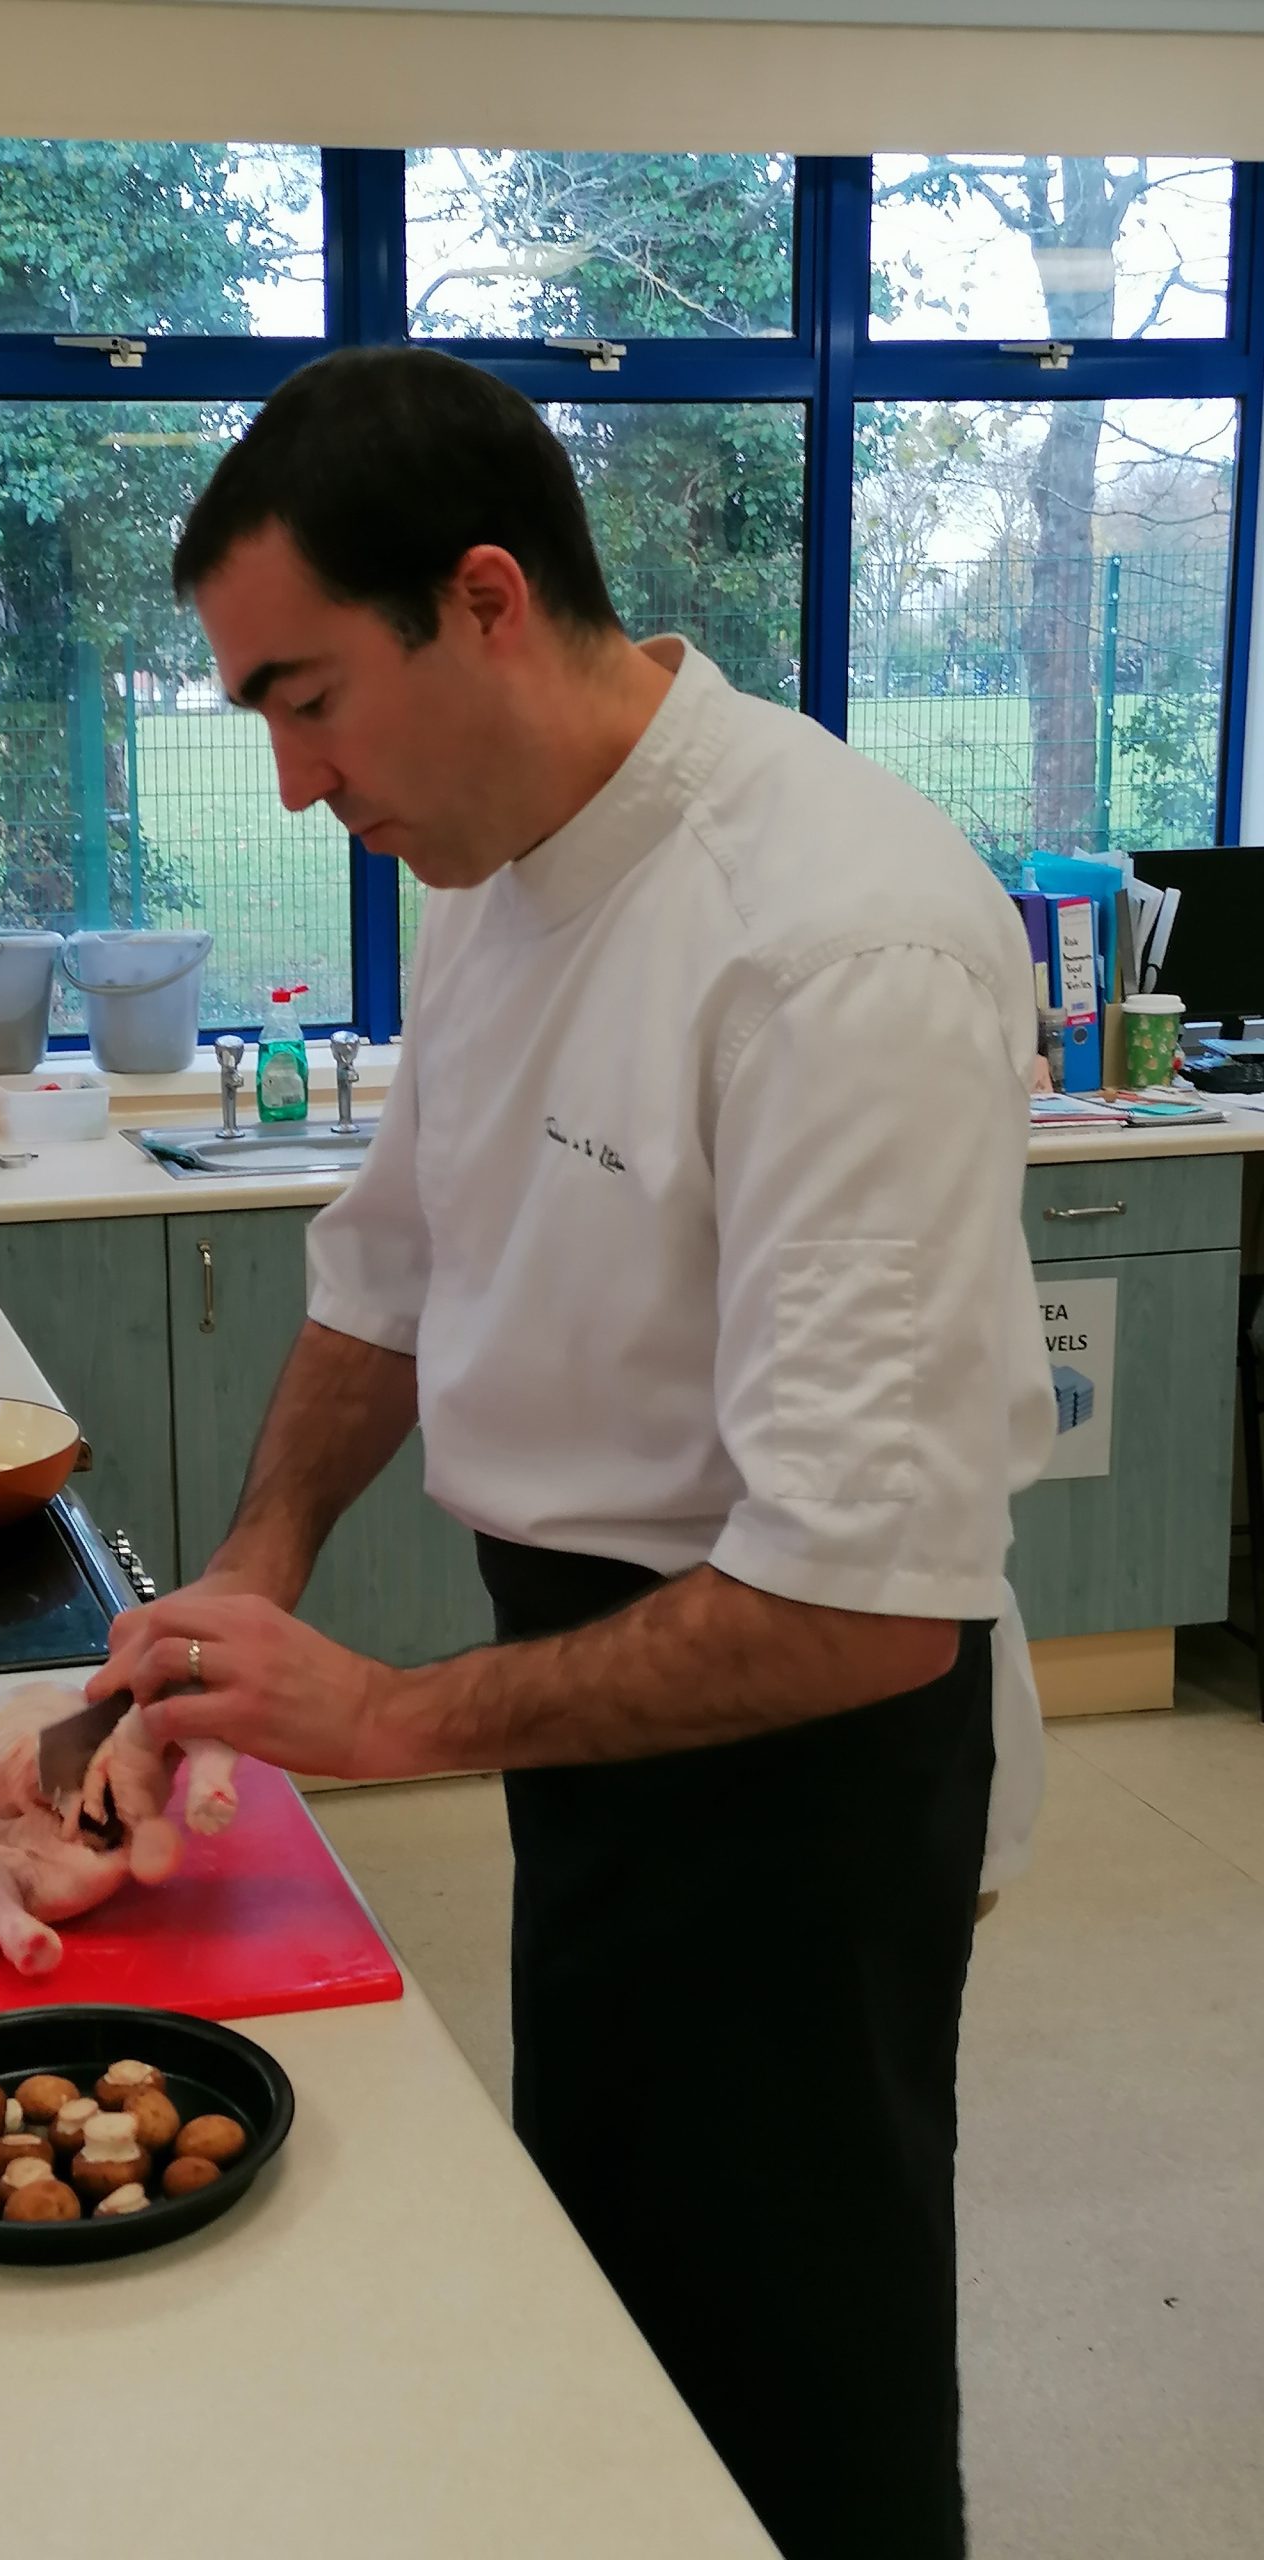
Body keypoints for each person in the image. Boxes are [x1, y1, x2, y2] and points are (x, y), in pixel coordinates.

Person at [90, 346, 1054, 2560]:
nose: (302, 776)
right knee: (618, 2295)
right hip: (600, 1716)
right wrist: (263, 1561)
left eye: (307, 697)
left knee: (806, 2365)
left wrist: (389, 1714)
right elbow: (395, 1268)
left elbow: (858, 1603)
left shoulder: (837, 940)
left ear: (489, 599)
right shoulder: (495, 872)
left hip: (798, 1752)